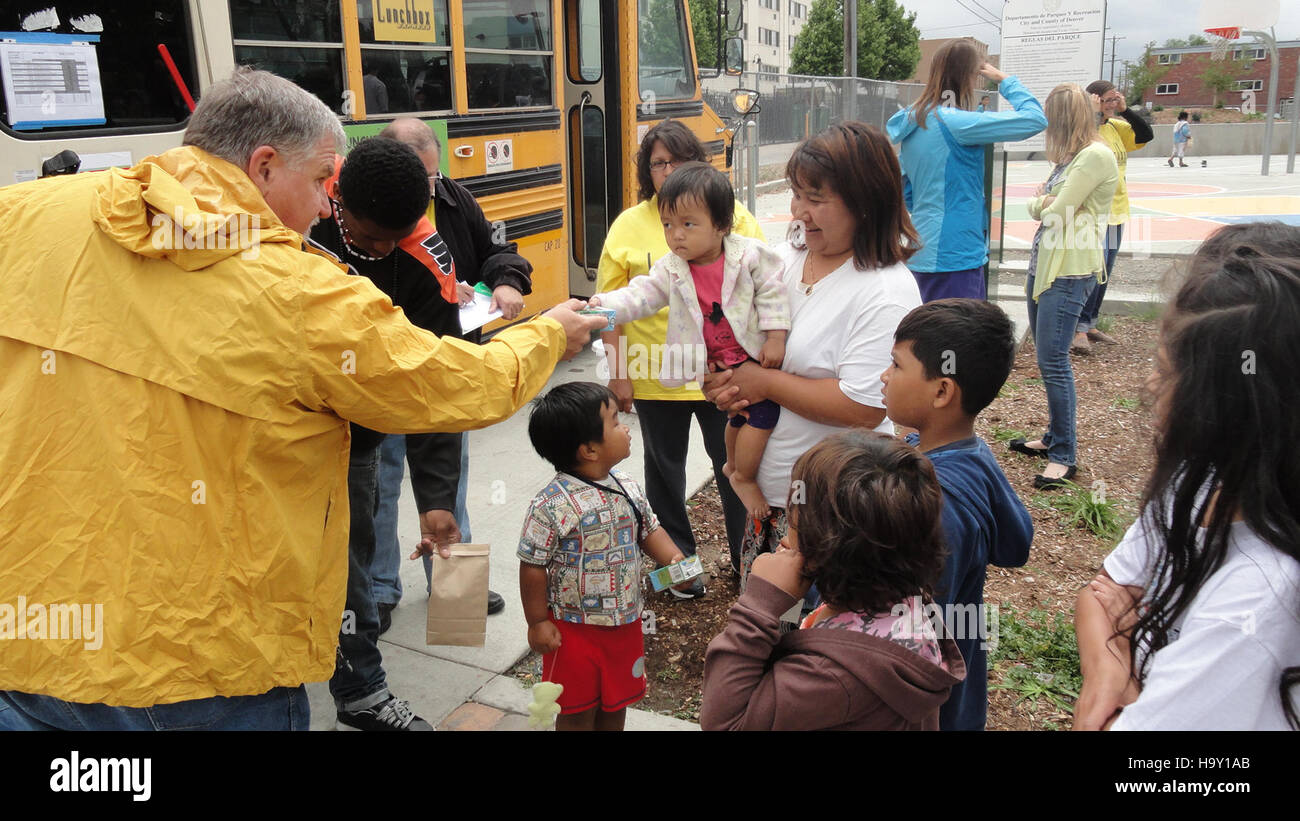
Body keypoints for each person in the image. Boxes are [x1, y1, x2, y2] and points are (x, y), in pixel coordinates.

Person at [0, 68, 604, 731]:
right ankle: (368, 663)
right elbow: (456, 383)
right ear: (262, 166)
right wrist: (550, 334)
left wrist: (437, 504)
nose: (324, 206)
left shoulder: (24, 217)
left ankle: (380, 650)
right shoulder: (300, 288)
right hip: (204, 670)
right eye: (321, 181)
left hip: (27, 649)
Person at [1074, 222, 1300, 731]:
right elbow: (1100, 593)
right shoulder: (1199, 486)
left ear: (1226, 404)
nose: (1150, 383)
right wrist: (1113, 666)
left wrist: (1128, 649)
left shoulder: (1252, 609)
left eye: (1164, 367)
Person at [704, 122, 922, 596]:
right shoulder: (784, 257)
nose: (799, 210)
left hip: (831, 510)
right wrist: (723, 383)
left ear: (866, 201)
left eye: (817, 198)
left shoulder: (884, 290)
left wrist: (759, 383)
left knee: (811, 647)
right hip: (771, 497)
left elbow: (864, 408)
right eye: (796, 193)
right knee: (765, 633)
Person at [368, 117, 532, 632]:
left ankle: (456, 589)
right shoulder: (363, 211)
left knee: (447, 480)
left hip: (446, 363)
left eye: (432, 180)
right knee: (381, 481)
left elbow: (495, 251)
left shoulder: (457, 199)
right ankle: (377, 591)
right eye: (419, 184)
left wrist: (504, 280)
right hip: (382, 371)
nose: (428, 192)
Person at [699, 431, 967, 730]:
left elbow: (725, 722)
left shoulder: (834, 674)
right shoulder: (906, 603)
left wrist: (759, 606)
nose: (787, 528)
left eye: (794, 517)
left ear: (824, 546)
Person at [596, 118, 765, 590]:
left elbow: (764, 287)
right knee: (663, 474)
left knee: (733, 467)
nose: (668, 170)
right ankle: (679, 569)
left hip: (724, 375)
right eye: (657, 163)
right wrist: (617, 373)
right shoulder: (629, 225)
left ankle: (748, 563)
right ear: (645, 172)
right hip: (655, 374)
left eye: (677, 160)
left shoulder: (733, 213)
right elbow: (617, 304)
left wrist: (759, 357)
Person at [590, 162, 787, 518]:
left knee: (761, 415)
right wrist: (604, 305)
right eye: (668, 225)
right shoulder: (672, 267)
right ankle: (737, 472)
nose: (675, 235)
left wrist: (775, 337)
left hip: (751, 361)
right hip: (713, 369)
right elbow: (641, 295)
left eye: (688, 225)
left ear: (722, 225)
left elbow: (772, 292)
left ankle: (741, 474)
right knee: (737, 421)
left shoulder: (747, 256)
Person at [880, 299, 1034, 730]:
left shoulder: (932, 505)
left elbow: (911, 633)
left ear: (942, 390)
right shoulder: (973, 453)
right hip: (961, 681)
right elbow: (1016, 540)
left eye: (896, 365)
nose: (884, 376)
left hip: (923, 703)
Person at [517, 382, 691, 730]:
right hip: (574, 630)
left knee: (618, 699)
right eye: (614, 422)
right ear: (589, 450)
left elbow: (649, 530)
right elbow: (533, 564)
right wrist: (537, 621)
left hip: (625, 624)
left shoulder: (626, 485)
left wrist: (675, 561)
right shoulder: (551, 504)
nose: (625, 426)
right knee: (576, 706)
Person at [1008, 83, 1117, 490]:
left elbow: (1054, 213)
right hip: (1048, 263)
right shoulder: (1071, 159)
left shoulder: (1094, 156)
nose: (1047, 126)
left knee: (1054, 360)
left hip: (1068, 269)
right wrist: (1049, 202)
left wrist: (1045, 201)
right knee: (1046, 354)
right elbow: (1051, 206)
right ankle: (1054, 437)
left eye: (1052, 117)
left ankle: (1064, 454)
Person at [886, 39, 1046, 302]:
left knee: (922, 336)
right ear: (970, 75)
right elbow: (1035, 118)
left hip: (919, 249)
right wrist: (1004, 79)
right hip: (956, 252)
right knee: (961, 338)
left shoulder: (914, 121)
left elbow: (908, 192)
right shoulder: (957, 122)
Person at [1072, 80, 1154, 354]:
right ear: (1094, 101)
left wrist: (1126, 109)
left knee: (1105, 273)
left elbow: (1145, 134)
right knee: (1092, 271)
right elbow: (1079, 141)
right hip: (1095, 213)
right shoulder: (1084, 128)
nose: (1112, 105)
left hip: (1117, 211)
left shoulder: (1115, 127)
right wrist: (1094, 112)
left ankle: (1091, 323)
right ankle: (1078, 328)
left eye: (1114, 100)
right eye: (1107, 100)